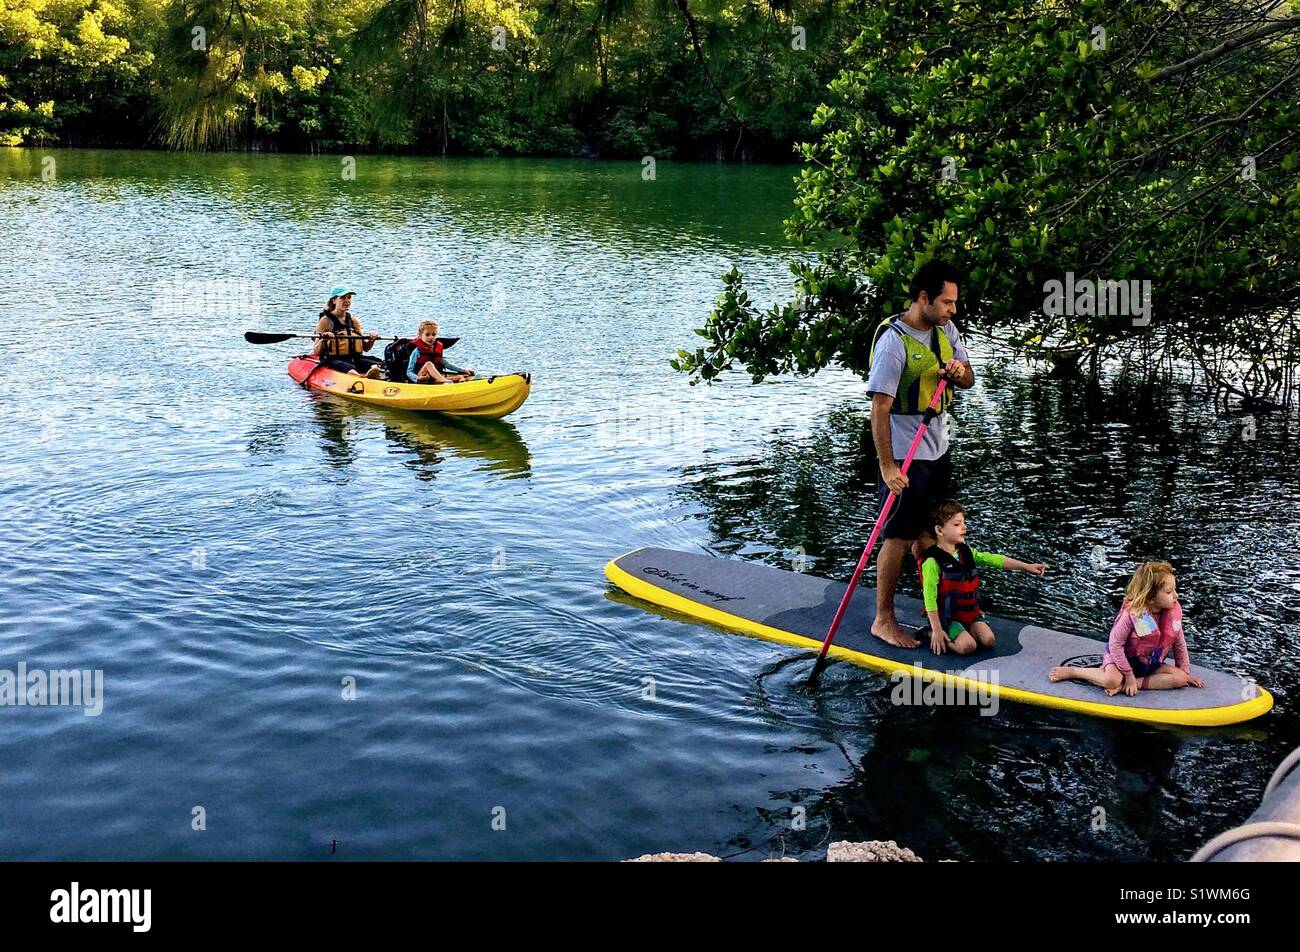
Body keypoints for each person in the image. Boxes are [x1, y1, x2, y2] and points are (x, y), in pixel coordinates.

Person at [864, 259, 974, 648]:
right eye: (946, 302)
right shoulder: (894, 342)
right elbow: (879, 407)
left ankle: (935, 612)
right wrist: (888, 465)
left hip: (938, 448)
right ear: (923, 298)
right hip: (905, 454)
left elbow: (970, 378)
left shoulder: (946, 329)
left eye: (954, 303)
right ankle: (883, 619)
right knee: (897, 535)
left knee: (931, 533)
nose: (953, 309)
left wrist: (960, 373)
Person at [1049, 562, 1205, 696]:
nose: (1176, 596)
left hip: (1149, 665)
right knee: (1111, 680)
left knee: (1180, 678)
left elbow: (1179, 645)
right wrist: (1128, 675)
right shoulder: (1134, 614)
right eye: (1169, 592)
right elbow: (1115, 644)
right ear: (1150, 596)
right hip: (1120, 662)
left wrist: (1185, 673)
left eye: (1174, 590)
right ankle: (1075, 672)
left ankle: (1128, 685)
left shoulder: (1170, 615)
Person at [921, 501, 1046, 655]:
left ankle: (965, 631)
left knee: (988, 640)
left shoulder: (966, 552)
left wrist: (1025, 566)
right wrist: (937, 629)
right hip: (947, 618)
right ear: (940, 530)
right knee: (967, 647)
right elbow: (929, 598)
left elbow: (995, 560)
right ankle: (930, 633)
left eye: (964, 523)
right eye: (957, 524)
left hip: (970, 613)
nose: (964, 527)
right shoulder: (932, 562)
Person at [313, 286, 383, 378]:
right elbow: (316, 351)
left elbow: (365, 348)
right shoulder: (325, 321)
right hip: (334, 359)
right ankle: (363, 378)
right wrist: (324, 340)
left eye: (349, 297)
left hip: (355, 358)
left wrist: (372, 340)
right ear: (334, 300)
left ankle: (378, 375)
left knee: (381, 364)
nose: (347, 301)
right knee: (349, 368)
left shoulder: (354, 321)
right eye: (343, 297)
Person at [406, 320, 474, 384]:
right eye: (427, 335)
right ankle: (443, 381)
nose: (431, 337)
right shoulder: (417, 351)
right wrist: (417, 378)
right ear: (420, 336)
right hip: (422, 376)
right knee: (428, 364)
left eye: (434, 334)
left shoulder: (436, 348)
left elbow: (447, 365)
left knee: (460, 377)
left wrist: (462, 370)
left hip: (433, 377)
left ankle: (453, 383)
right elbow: (409, 372)